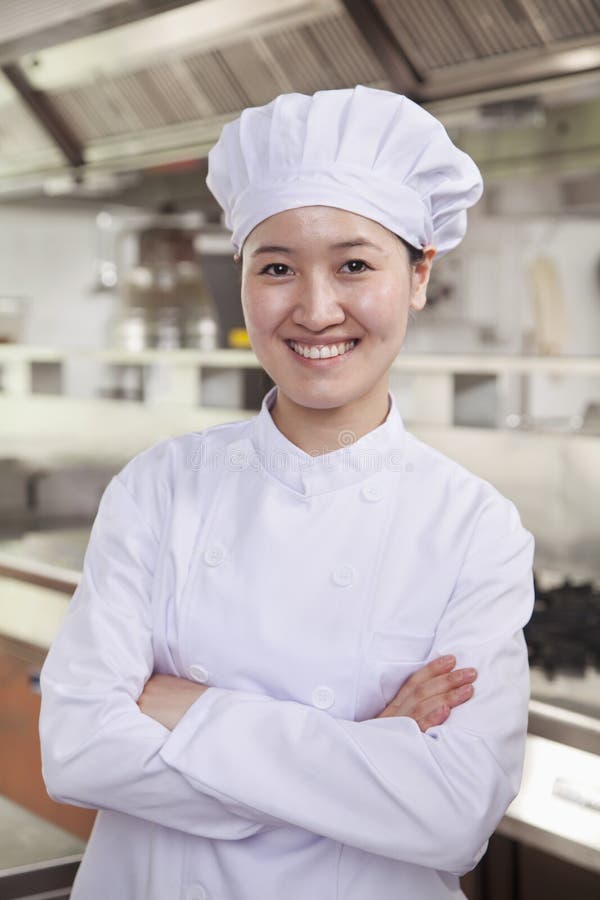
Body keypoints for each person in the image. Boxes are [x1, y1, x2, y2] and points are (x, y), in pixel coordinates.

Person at [39, 85, 535, 900]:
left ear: (418, 275)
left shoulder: (473, 527)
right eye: (276, 267)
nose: (314, 308)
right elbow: (79, 749)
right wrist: (364, 751)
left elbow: (451, 814)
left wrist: (187, 709)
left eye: (354, 265)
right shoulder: (160, 488)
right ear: (240, 278)